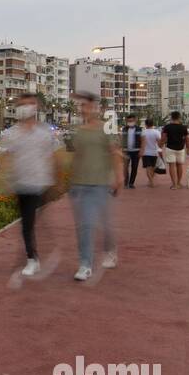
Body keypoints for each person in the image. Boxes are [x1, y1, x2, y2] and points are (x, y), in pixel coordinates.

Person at [0, 92, 62, 277]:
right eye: (22, 104)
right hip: (21, 184)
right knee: (28, 223)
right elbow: (6, 155)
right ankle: (33, 257)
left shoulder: (44, 132)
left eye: (30, 104)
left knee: (30, 223)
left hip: (40, 183)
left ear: (36, 107)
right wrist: (1, 178)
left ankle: (33, 257)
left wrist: (57, 180)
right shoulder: (13, 133)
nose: (26, 107)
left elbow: (55, 155)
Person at [69, 92, 123, 280]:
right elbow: (77, 155)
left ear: (95, 108)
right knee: (85, 225)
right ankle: (85, 264)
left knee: (104, 223)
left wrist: (119, 177)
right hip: (79, 184)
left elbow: (115, 153)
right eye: (81, 106)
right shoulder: (79, 130)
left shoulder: (106, 129)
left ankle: (110, 250)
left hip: (100, 184)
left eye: (87, 105)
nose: (83, 109)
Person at [159, 111, 189, 189]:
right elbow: (187, 139)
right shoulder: (183, 127)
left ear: (171, 117)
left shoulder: (167, 127)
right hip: (180, 148)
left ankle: (174, 184)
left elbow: (163, 138)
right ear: (179, 117)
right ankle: (179, 183)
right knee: (179, 165)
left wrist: (160, 146)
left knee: (172, 166)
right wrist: (188, 149)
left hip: (170, 148)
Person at [119, 114, 142, 188]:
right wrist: (121, 149)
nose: (130, 122)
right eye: (128, 121)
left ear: (135, 120)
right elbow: (122, 139)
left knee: (134, 167)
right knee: (125, 167)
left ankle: (131, 183)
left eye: (131, 121)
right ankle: (126, 183)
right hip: (126, 151)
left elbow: (142, 140)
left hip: (136, 151)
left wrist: (142, 150)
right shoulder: (124, 129)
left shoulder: (139, 129)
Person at [139, 118, 162, 187]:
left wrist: (141, 151)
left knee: (148, 168)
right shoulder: (157, 132)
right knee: (153, 167)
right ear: (153, 124)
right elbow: (159, 143)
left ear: (146, 124)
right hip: (154, 152)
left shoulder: (143, 132)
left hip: (146, 153)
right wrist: (160, 151)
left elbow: (142, 143)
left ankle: (151, 181)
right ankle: (151, 181)